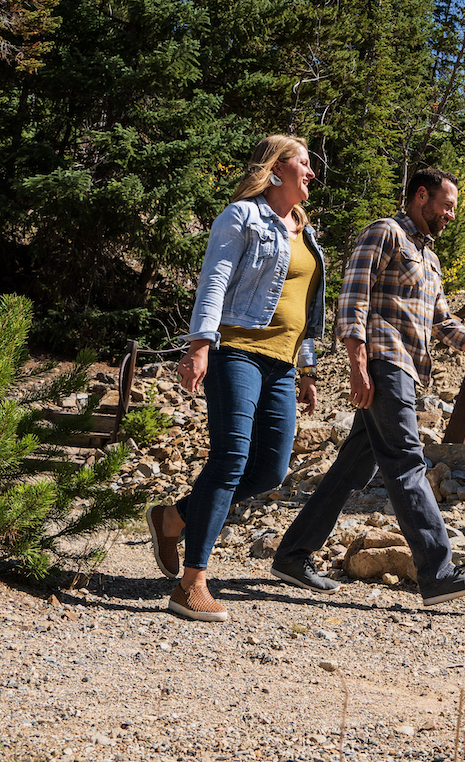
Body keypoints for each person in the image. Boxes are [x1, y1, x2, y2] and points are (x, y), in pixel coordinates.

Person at [270, 168, 465, 607]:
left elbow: (445, 325)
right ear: (421, 196)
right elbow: (353, 298)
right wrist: (357, 363)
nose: (451, 215)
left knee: (352, 469)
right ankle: (438, 574)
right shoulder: (385, 232)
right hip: (384, 363)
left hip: (406, 369)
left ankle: (292, 555)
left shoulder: (430, 259)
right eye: (447, 206)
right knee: (407, 461)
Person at [145, 134, 325, 622]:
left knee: (270, 470)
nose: (311, 172)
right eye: (303, 163)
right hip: (237, 352)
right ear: (276, 169)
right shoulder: (241, 216)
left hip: (283, 363)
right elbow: (214, 280)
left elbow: (304, 309)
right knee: (229, 458)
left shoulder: (305, 230)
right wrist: (200, 344)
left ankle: (173, 518)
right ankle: (191, 584)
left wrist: (307, 368)